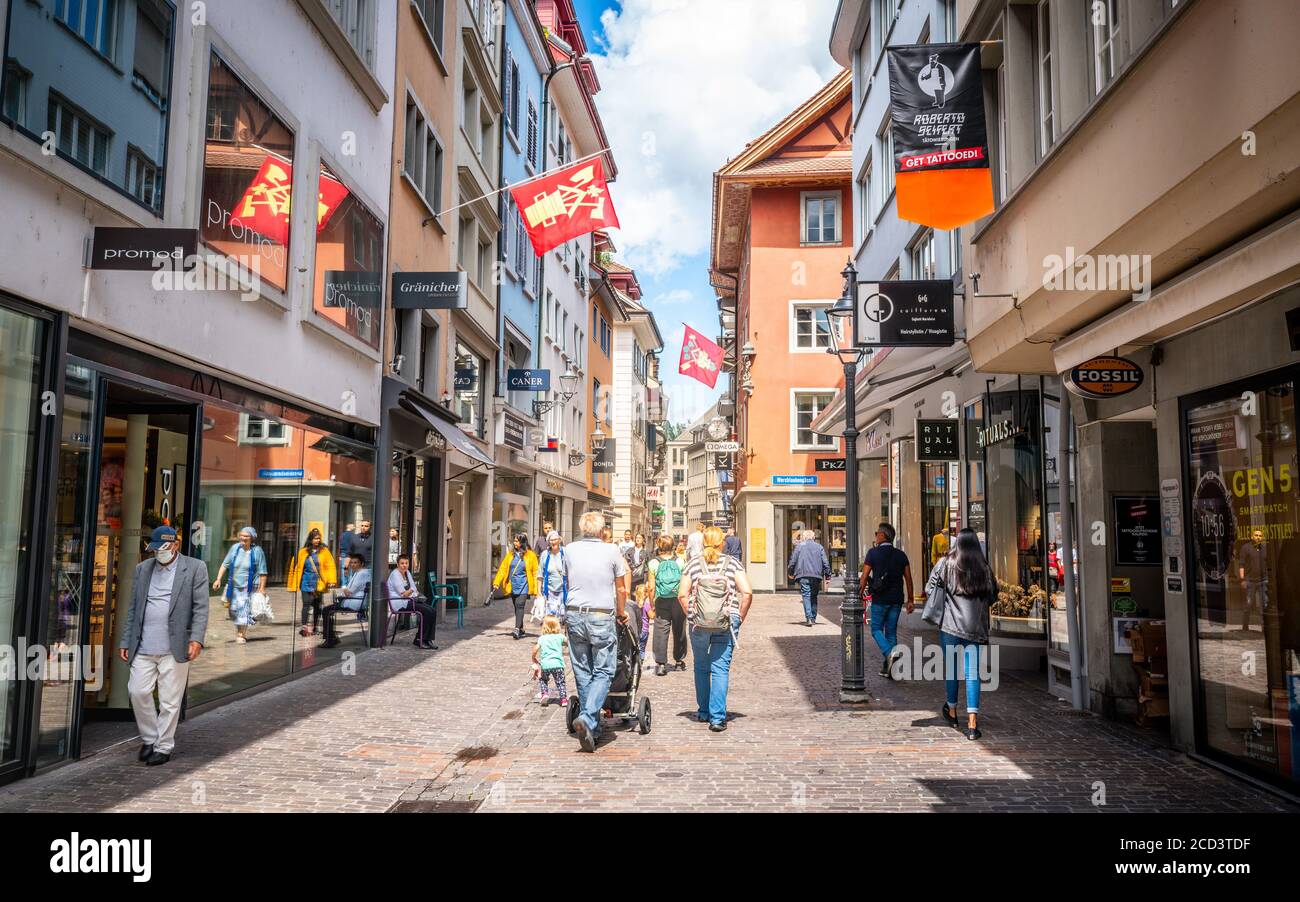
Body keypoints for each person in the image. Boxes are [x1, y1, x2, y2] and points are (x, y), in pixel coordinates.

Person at [118, 525, 208, 766]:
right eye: (157, 549)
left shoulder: (195, 568)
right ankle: (149, 738)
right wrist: (127, 639)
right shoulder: (142, 569)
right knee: (137, 691)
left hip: (175, 646)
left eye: (166, 548)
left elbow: (201, 608)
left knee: (169, 700)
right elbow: (134, 608)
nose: (161, 553)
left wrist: (196, 639)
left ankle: (164, 746)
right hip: (143, 644)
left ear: (176, 545)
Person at [565, 510, 630, 752]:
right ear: (603, 530)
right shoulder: (612, 550)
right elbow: (621, 588)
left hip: (574, 613)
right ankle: (589, 718)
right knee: (604, 670)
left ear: (582, 529)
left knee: (583, 669)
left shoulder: (569, 549)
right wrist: (622, 611)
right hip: (601, 614)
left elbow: (566, 580)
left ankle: (592, 725)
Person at [679, 526, 752, 732]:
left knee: (701, 666)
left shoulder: (693, 564)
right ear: (723, 543)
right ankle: (717, 718)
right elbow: (747, 592)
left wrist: (692, 615)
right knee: (720, 668)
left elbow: (682, 595)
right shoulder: (733, 563)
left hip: (698, 623)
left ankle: (703, 711)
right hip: (726, 621)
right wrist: (740, 617)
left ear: (703, 543)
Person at [931, 528, 994, 740]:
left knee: (951, 669)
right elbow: (993, 595)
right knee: (972, 673)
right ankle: (973, 723)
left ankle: (952, 711)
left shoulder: (946, 563)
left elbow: (930, 587)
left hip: (949, 625)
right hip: (974, 628)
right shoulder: (983, 567)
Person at [861, 522, 914, 679]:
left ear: (883, 535)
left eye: (877, 533)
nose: (875, 535)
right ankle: (890, 669)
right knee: (891, 631)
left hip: (880, 599)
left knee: (876, 629)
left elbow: (864, 576)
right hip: (896, 599)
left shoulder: (873, 553)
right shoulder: (901, 555)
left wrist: (858, 594)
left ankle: (889, 653)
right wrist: (911, 599)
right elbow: (908, 579)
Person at [213, 526, 267, 644]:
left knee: (243, 610)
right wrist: (218, 579)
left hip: (249, 586)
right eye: (241, 535)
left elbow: (263, 571)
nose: (243, 538)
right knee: (232, 611)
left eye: (246, 536)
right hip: (234, 585)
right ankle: (242, 628)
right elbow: (225, 564)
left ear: (252, 538)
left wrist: (262, 588)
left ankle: (241, 634)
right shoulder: (235, 548)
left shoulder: (257, 551)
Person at [288, 528, 337, 638]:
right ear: (310, 539)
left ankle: (315, 627)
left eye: (319, 538)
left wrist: (332, 580)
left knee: (317, 606)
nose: (317, 540)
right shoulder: (302, 552)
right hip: (306, 582)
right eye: (315, 538)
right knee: (306, 604)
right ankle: (304, 627)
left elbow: (331, 566)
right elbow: (295, 567)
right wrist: (292, 583)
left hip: (318, 583)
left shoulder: (324, 551)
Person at [648, 535, 687, 675]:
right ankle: (679, 661)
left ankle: (660, 664)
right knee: (679, 629)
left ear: (659, 546)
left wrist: (652, 604)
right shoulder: (680, 561)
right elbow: (685, 583)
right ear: (673, 547)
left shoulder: (653, 563)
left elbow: (651, 587)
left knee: (661, 630)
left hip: (661, 600)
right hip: (677, 599)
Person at [492, 533, 539, 639]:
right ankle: (521, 628)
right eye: (514, 541)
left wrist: (537, 589)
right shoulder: (510, 555)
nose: (515, 543)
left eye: (517, 541)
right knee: (516, 607)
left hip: (524, 585)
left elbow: (536, 572)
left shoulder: (530, 555)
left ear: (522, 542)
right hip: (513, 585)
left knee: (520, 605)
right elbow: (503, 569)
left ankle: (517, 629)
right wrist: (496, 583)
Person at [386, 554, 437, 648]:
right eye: (402, 563)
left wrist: (411, 590)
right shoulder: (395, 574)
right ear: (397, 564)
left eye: (406, 563)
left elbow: (413, 589)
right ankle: (420, 639)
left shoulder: (407, 573)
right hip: (400, 603)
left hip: (409, 600)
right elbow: (404, 594)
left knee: (432, 610)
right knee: (427, 612)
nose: (404, 565)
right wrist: (412, 590)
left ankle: (427, 639)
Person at [321, 553, 370, 648]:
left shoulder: (361, 574)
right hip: (354, 601)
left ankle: (329, 639)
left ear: (362, 564)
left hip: (354, 603)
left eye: (356, 563)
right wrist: (344, 592)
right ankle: (331, 637)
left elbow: (349, 592)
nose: (353, 565)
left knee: (326, 610)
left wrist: (343, 591)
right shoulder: (360, 573)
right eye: (351, 563)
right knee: (329, 610)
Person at [787, 528, 831, 626]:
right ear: (813, 537)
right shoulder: (819, 547)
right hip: (816, 575)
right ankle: (813, 618)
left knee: (806, 595)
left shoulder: (799, 547)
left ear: (804, 537)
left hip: (803, 575)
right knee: (814, 596)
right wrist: (828, 575)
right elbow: (825, 563)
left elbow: (793, 561)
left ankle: (809, 618)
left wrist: (790, 572)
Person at [532, 615, 569, 706]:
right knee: (560, 682)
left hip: (545, 665)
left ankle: (544, 694)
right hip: (558, 664)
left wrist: (533, 658)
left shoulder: (542, 638)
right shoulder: (560, 636)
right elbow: (568, 642)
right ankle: (563, 699)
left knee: (543, 680)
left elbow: (535, 648)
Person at [1239, 529, 1267, 631]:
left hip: (1263, 580)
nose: (1258, 537)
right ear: (1252, 536)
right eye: (1256, 535)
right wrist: (1242, 579)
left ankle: (1265, 626)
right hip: (1250, 581)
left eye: (1260, 535)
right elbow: (1241, 564)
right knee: (1248, 604)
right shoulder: (1245, 548)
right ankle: (1245, 626)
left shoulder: (1264, 548)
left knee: (1265, 604)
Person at [539, 530, 568, 622]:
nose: (554, 542)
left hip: (564, 591)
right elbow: (540, 574)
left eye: (556, 539)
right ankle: (551, 634)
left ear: (559, 540)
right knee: (551, 618)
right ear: (548, 542)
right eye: (551, 540)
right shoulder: (545, 554)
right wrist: (538, 592)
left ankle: (559, 635)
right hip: (549, 591)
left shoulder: (566, 552)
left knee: (562, 618)